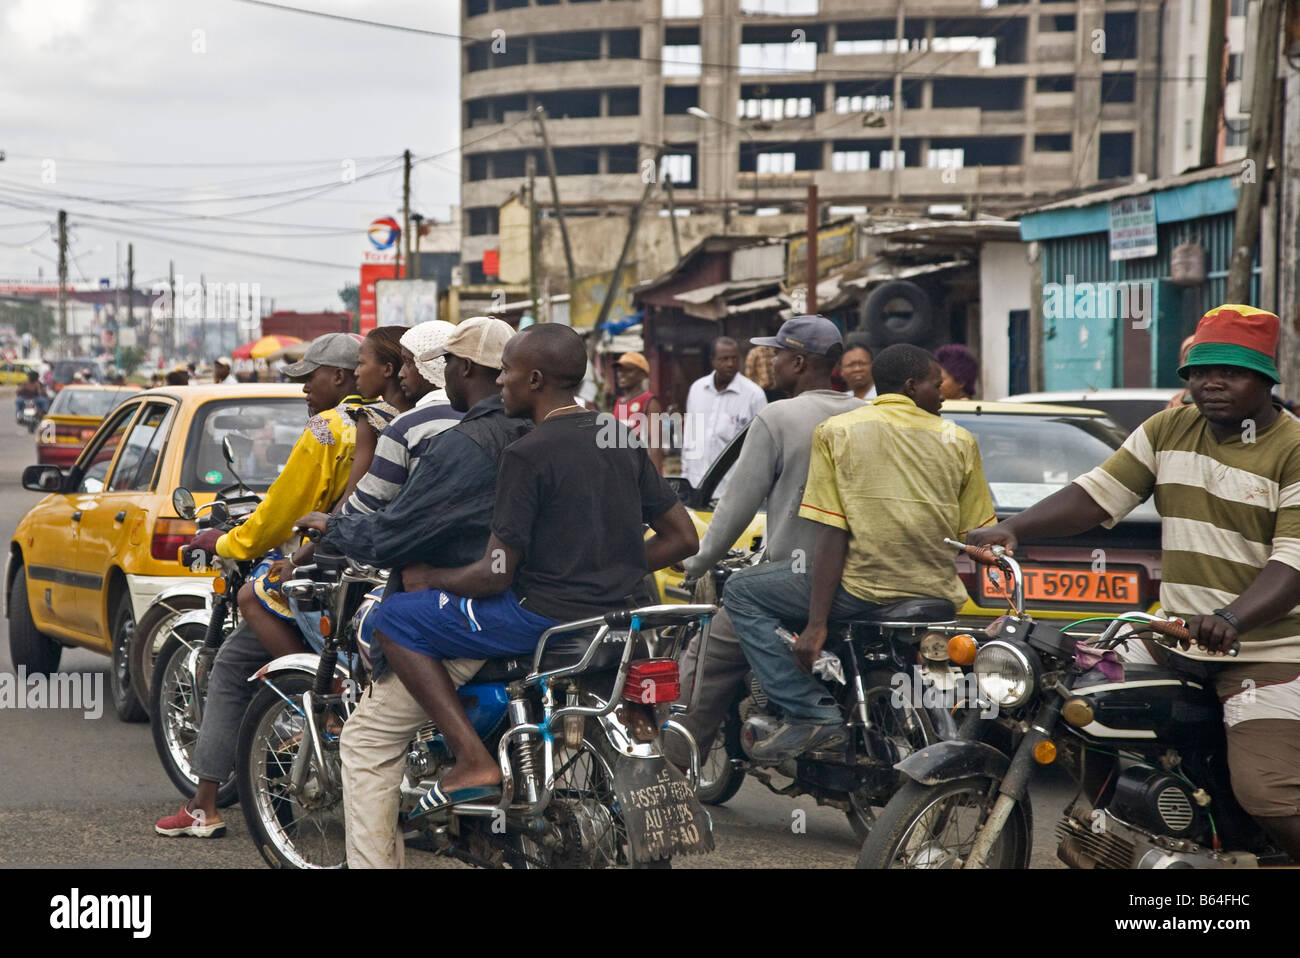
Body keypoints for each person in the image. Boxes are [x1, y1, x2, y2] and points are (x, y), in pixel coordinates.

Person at [968, 304, 1300, 859]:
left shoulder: (1292, 449)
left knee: (1265, 793)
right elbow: (1096, 496)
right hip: (1169, 636)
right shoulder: (1169, 427)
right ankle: (1104, 826)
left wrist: (1231, 620)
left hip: (1268, 651)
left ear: (1267, 379)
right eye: (1198, 372)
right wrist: (1012, 529)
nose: (1210, 384)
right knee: (1074, 703)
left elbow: (1292, 568)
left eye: (1231, 373)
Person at [372, 323, 699, 818]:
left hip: (543, 616)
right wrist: (609, 565)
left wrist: (432, 579)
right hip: (622, 612)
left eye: (507, 371)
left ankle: (472, 759)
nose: (500, 382)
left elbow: (496, 573)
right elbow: (682, 538)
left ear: (536, 379)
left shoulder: (526, 453)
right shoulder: (615, 432)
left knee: (394, 618)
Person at [297, 317, 526, 868]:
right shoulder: (551, 434)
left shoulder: (460, 443)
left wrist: (332, 529)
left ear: (465, 369)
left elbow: (395, 530)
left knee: (367, 741)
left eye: (447, 362)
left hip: (476, 616)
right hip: (559, 610)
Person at [724, 344, 996, 760]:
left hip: (864, 590)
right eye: (935, 385)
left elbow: (831, 533)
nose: (943, 395)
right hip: (936, 596)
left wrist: (815, 625)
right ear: (910, 387)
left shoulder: (838, 432)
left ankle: (807, 709)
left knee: (741, 590)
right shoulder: (960, 439)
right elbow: (977, 533)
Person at [152, 332, 362, 839]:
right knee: (231, 664)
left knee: (252, 599)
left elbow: (283, 511)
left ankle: (322, 703)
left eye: (310, 378)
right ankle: (207, 799)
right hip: (373, 574)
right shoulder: (394, 420)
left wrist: (229, 544)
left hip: (325, 574)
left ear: (340, 377)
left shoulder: (329, 428)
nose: (305, 389)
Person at [666, 315, 864, 768]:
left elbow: (735, 507)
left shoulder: (777, 417)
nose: (770, 362)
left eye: (776, 353)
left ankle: (667, 773)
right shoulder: (866, 415)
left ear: (798, 361)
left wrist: (696, 562)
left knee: (706, 661)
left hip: (795, 580)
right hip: (863, 580)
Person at [681, 336, 766, 495]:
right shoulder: (697, 389)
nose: (730, 364)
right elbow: (690, 437)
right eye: (724, 359)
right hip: (695, 488)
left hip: (730, 493)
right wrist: (685, 477)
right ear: (712, 360)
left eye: (734, 358)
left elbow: (761, 448)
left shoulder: (754, 395)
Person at [611, 351, 665, 473]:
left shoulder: (650, 402)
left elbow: (655, 447)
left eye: (628, 370)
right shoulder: (619, 402)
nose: (621, 374)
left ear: (642, 375)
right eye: (619, 370)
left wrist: (657, 481)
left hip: (642, 472)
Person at [839, 333, 876, 401]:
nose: (857, 369)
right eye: (850, 365)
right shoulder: (840, 400)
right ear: (841, 371)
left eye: (863, 363)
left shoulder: (883, 398)